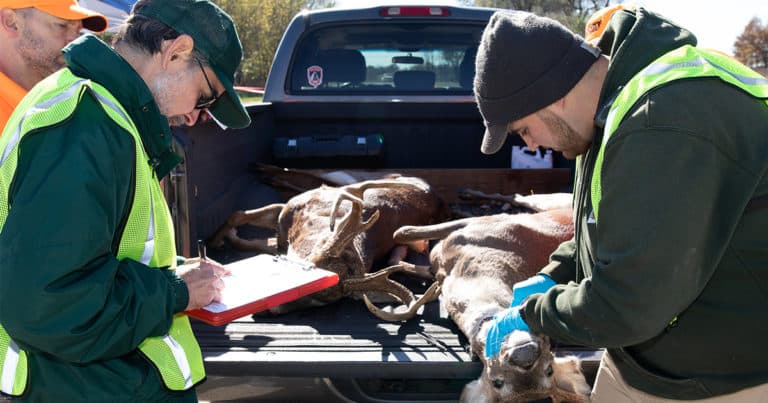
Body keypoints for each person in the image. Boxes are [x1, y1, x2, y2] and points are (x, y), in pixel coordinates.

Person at [474, 7, 768, 403]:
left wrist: (534, 314)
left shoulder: (661, 123)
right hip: (647, 363)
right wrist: (557, 272)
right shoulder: (605, 115)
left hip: (729, 378)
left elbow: (629, 304)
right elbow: (605, 229)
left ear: (552, 95)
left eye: (523, 129)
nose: (529, 145)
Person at [0, 0, 251, 401]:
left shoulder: (103, 116)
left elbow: (87, 254)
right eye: (204, 97)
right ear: (176, 51)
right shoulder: (85, 126)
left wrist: (179, 273)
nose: (194, 117)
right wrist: (175, 290)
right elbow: (49, 304)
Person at [0, 0, 108, 132]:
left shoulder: (79, 99)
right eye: (62, 25)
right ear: (11, 22)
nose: (75, 40)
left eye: (79, 31)